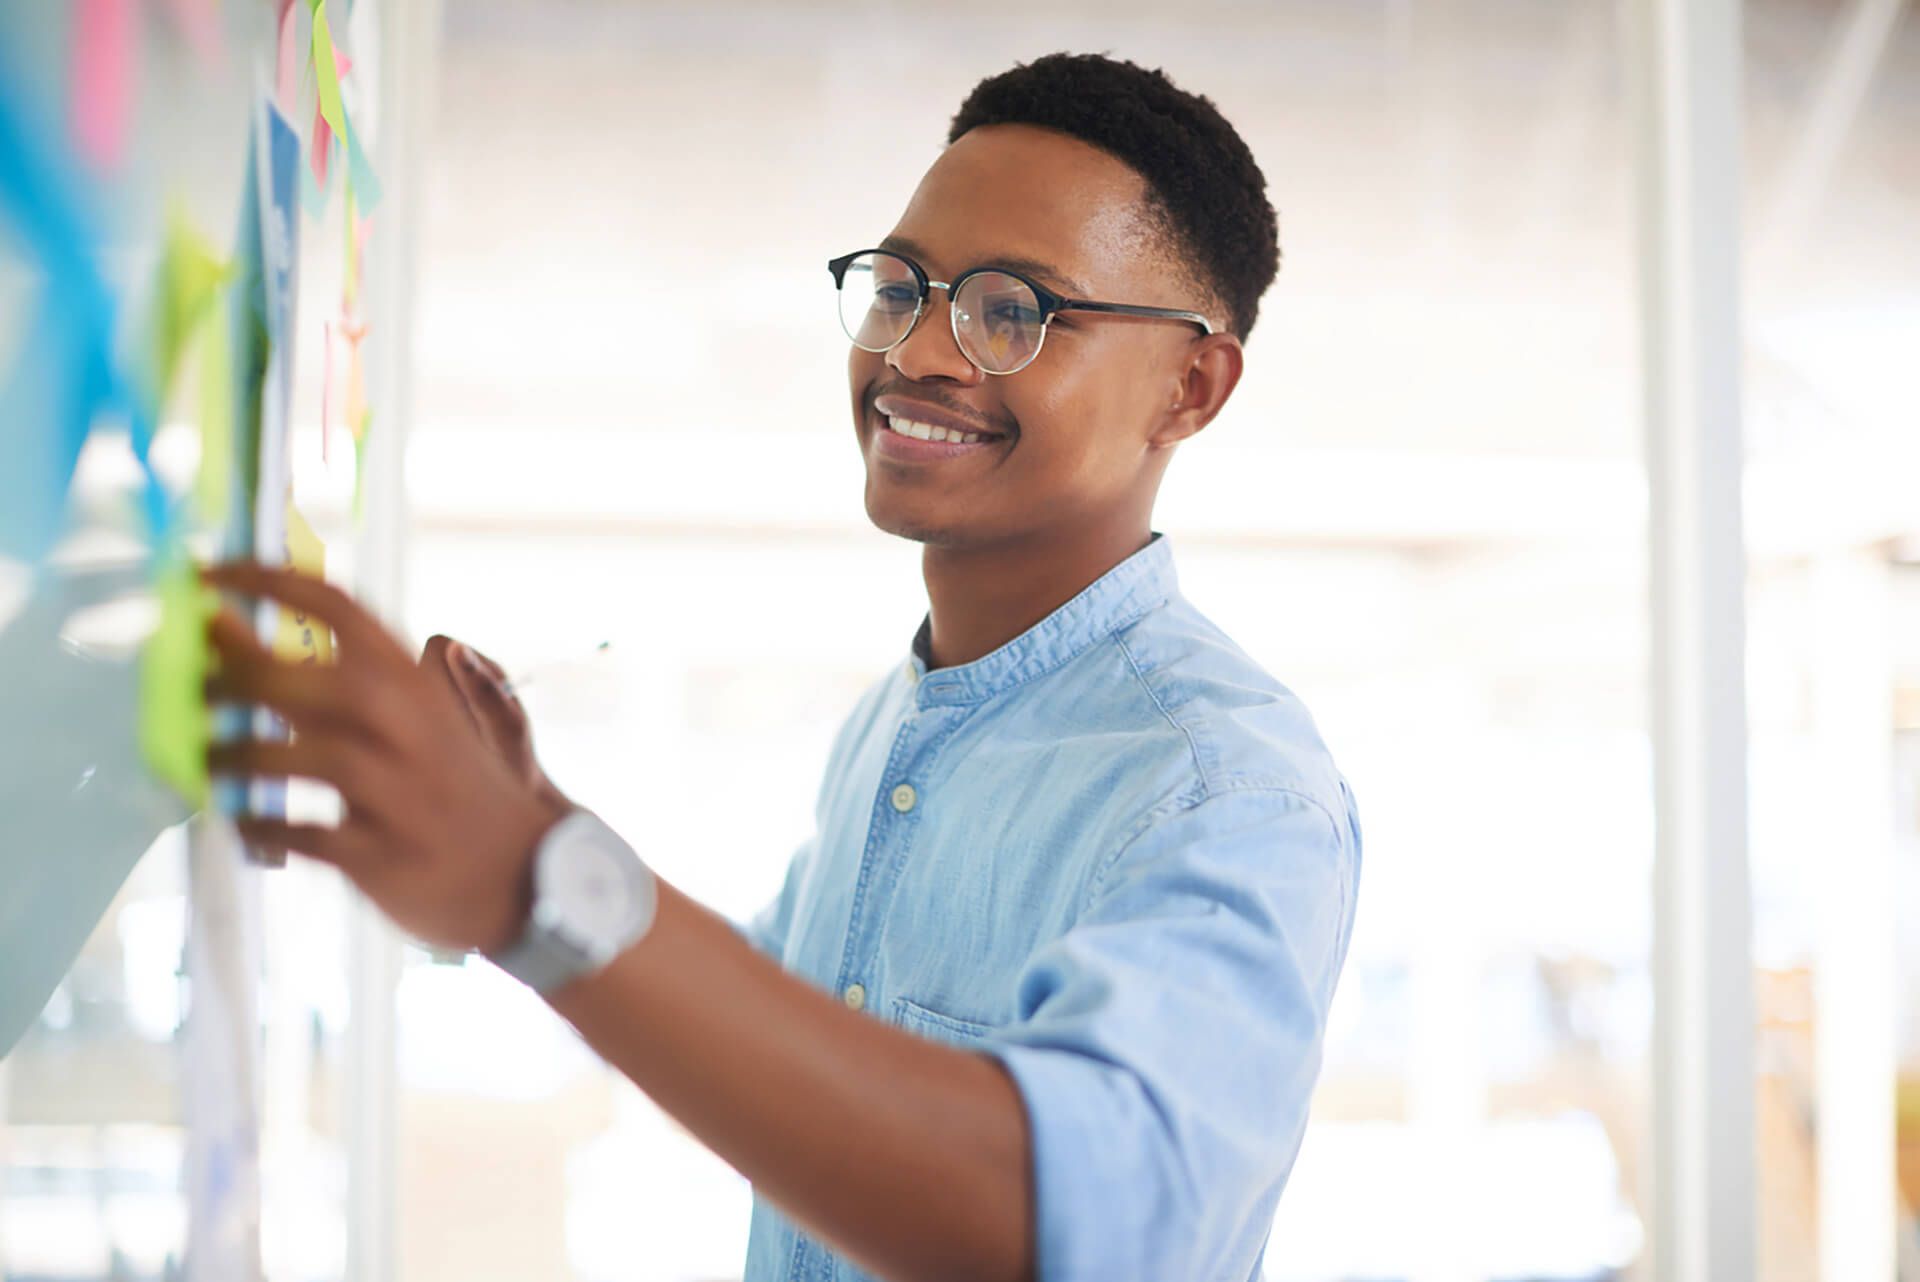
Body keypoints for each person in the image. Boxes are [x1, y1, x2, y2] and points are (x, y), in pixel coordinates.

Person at [203, 51, 1363, 1282]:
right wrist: (520, 813)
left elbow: (1044, 1219)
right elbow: (794, 1022)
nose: (918, 352)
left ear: (1190, 386)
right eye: (901, 287)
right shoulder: (896, 723)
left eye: (1013, 311)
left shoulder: (1227, 792)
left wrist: (529, 875)